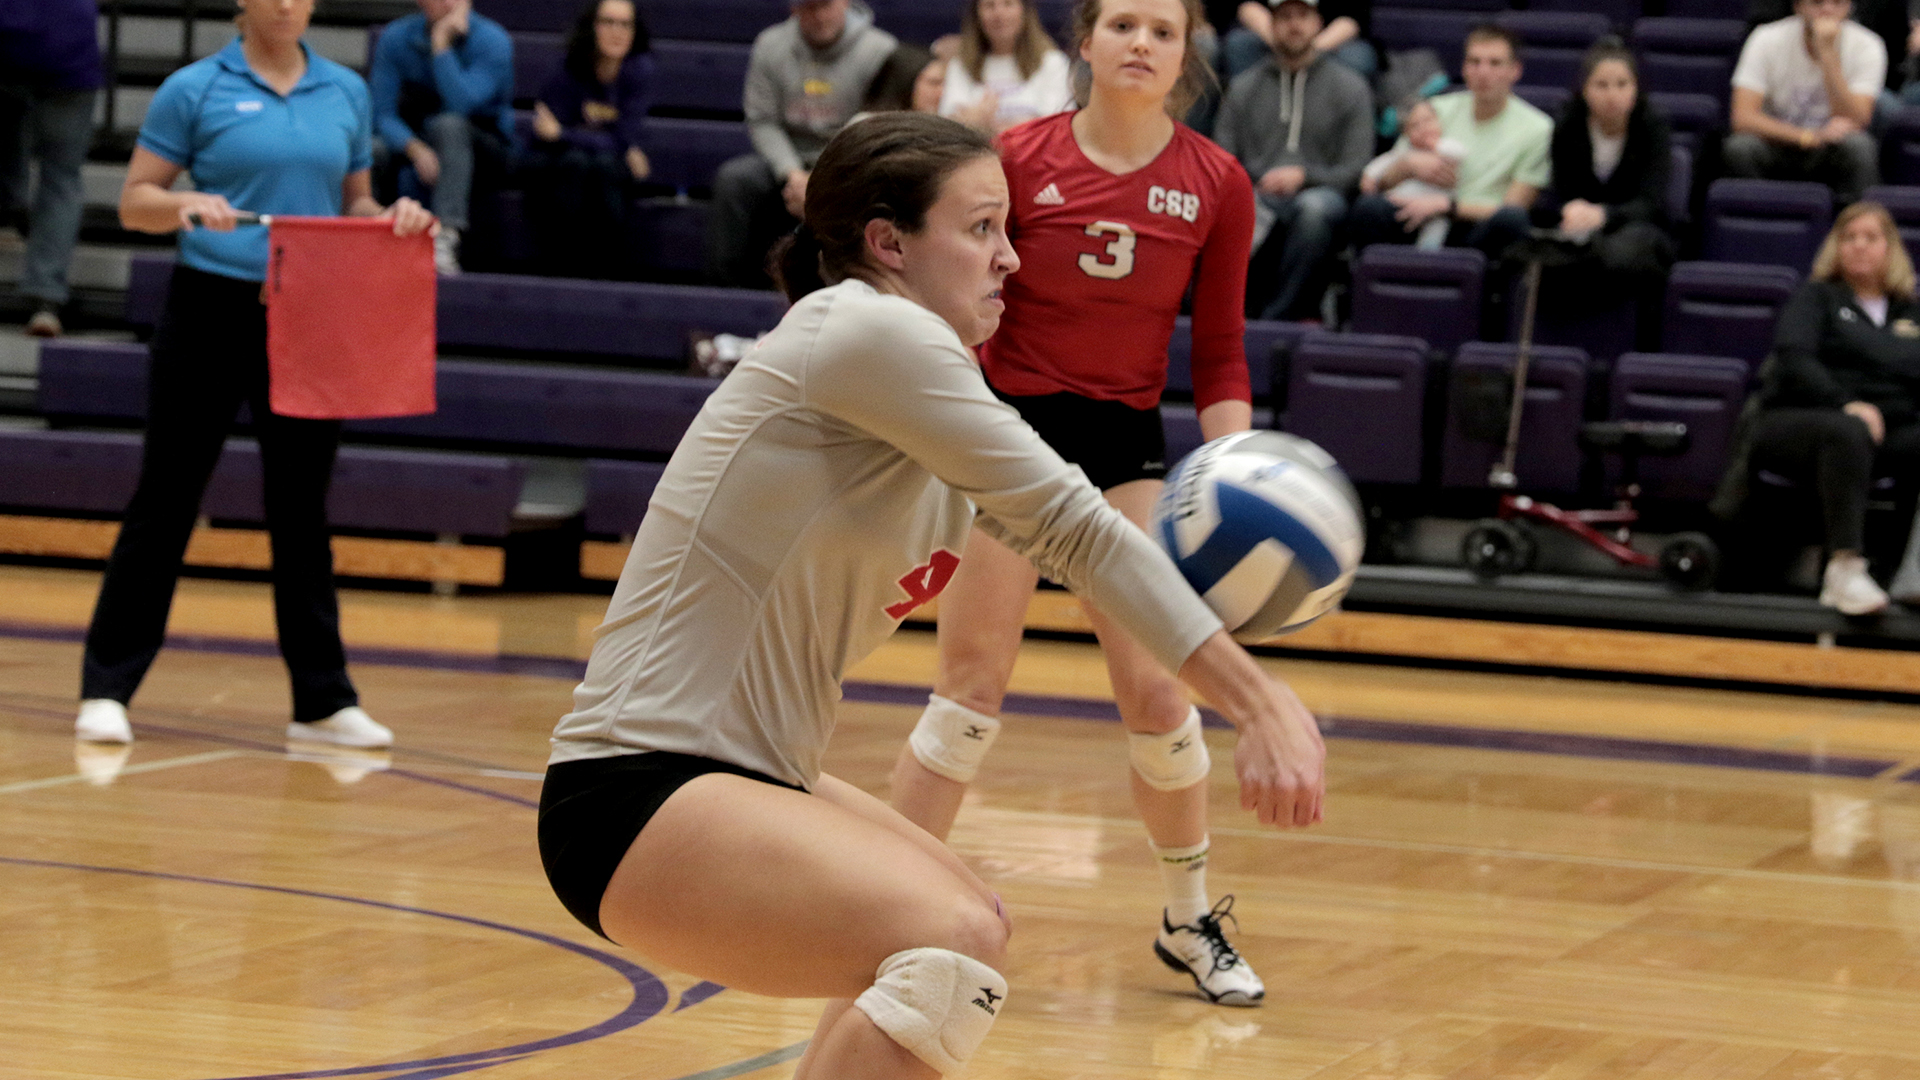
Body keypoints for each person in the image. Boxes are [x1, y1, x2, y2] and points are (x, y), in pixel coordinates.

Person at [538, 111, 1325, 1080]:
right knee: (948, 940)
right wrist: (1259, 701)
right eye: (983, 228)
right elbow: (1076, 526)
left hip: (739, 778)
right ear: (887, 244)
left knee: (973, 921)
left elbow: (1080, 544)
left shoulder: (924, 401)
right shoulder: (863, 327)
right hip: (637, 788)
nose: (1011, 260)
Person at [886, 0, 1273, 1008]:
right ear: (1088, 42)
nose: (1142, 43)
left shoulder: (1217, 183)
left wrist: (1234, 473)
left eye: (1163, 29)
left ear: (1186, 55)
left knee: (1156, 696)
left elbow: (1221, 348)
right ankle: (881, 904)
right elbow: (958, 301)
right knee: (970, 686)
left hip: (1124, 452)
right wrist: (956, 421)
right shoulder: (1015, 157)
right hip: (1009, 437)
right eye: (1123, 24)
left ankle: (1189, 921)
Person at [73, 0, 435, 748]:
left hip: (309, 312)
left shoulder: (345, 89)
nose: (286, 3)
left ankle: (322, 700)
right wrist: (181, 205)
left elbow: (354, 201)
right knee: (167, 496)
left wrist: (390, 216)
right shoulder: (195, 87)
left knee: (301, 509)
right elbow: (135, 200)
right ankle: (106, 687)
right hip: (208, 308)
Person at [1722, 202, 1920, 614]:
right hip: (1796, 423)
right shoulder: (1816, 298)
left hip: (1885, 429)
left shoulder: (1910, 312)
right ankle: (1844, 568)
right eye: (1849, 238)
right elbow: (1795, 360)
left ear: (1891, 249)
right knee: (1850, 430)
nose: (1860, 246)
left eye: (1871, 238)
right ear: (1835, 247)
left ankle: (1907, 575)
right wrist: (1848, 401)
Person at [705, 0, 897, 289]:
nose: (819, 17)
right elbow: (762, 120)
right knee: (734, 181)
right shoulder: (770, 45)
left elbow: (873, 124)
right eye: (809, 8)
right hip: (787, 158)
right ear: (793, 9)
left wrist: (822, 177)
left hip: (846, 162)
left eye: (825, 6)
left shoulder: (880, 50)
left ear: (845, 3)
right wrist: (792, 173)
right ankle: (725, 294)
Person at [1215, 0, 1373, 321]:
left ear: (1318, 23)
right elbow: (1222, 159)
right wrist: (1262, 178)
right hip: (1257, 190)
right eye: (1284, 17)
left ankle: (1276, 320)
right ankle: (1227, 315)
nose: (1294, 24)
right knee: (1235, 207)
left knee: (1314, 210)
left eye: (1303, 15)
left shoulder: (1351, 87)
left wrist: (1304, 177)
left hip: (1321, 194)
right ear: (1271, 26)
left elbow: (1355, 168)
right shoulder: (1243, 87)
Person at [1347, 24, 1548, 261]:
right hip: (1416, 214)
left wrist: (1447, 206)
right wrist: (1407, 166)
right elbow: (1383, 184)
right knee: (1367, 209)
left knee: (1512, 221)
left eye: (1495, 63)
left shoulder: (1538, 128)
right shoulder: (1437, 110)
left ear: (1515, 70)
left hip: (1475, 225)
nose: (1483, 72)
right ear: (1463, 68)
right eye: (1474, 62)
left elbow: (1516, 206)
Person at [1530, 39, 1676, 349]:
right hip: (1578, 229)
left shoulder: (1653, 127)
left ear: (1636, 89)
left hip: (1637, 231)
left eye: (1622, 84)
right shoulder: (1567, 124)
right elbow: (1561, 192)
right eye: (1602, 85)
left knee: (1625, 250)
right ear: (1584, 89)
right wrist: (1571, 211)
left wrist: (1603, 215)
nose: (1612, 95)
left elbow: (1651, 203)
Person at [368, 0, 515, 274]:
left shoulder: (493, 40)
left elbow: (462, 104)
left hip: (484, 148)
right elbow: (382, 114)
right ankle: (365, 240)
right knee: (371, 149)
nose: (448, 2)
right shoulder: (396, 37)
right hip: (417, 143)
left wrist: (441, 45)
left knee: (449, 125)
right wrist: (416, 150)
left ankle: (445, 235)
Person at [524, 0, 653, 279]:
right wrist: (610, 142)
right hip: (557, 163)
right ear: (592, 27)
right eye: (608, 22)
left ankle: (607, 272)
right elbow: (546, 135)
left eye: (625, 24)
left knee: (604, 166)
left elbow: (620, 139)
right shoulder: (566, 67)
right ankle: (562, 269)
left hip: (600, 163)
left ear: (634, 31)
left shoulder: (640, 70)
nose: (617, 31)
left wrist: (567, 134)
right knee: (577, 163)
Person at [0, 0, 101, 337]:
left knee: (11, 134)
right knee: (61, 179)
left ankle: (12, 208)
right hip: (69, 50)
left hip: (9, 42)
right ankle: (46, 298)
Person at [1724, 0, 1884, 204]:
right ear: (1798, 6)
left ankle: (1852, 229)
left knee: (1859, 147)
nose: (1827, 9)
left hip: (1831, 148)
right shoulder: (1766, 38)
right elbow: (1743, 119)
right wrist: (1809, 136)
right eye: (1817, 2)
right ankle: (1758, 223)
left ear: (1849, 6)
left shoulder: (1868, 45)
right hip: (1778, 142)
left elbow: (1858, 120)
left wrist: (1827, 54)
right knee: (1740, 148)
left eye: (1837, 2)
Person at [939, 0, 1074, 134]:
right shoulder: (960, 65)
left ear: (1025, 11)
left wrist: (981, 123)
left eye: (1008, 4)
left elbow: (1058, 124)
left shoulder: (1053, 62)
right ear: (977, 15)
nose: (999, 14)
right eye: (989, 6)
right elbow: (948, 125)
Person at [1360, 97, 1466, 249]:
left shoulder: (1446, 148)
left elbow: (1459, 153)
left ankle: (1425, 261)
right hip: (1400, 207)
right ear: (1406, 133)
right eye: (1415, 126)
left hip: (1436, 210)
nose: (1424, 128)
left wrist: (1436, 146)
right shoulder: (1402, 154)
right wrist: (1370, 181)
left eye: (1428, 120)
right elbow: (1374, 171)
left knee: (1436, 232)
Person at [1220, 0, 1375, 82]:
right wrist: (1282, 41)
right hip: (1273, 37)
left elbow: (1354, 17)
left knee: (1357, 58)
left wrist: (1307, 49)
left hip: (1328, 42)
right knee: (1239, 44)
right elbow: (1246, 5)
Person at [862, 43, 946, 114]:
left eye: (944, 84)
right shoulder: (868, 124)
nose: (941, 92)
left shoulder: (942, 126)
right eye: (933, 83)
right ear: (906, 82)